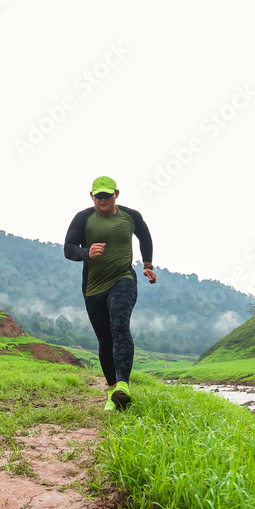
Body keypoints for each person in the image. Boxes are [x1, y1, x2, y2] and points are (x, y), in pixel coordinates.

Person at [64, 176, 155, 411]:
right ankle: (112, 392)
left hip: (123, 279)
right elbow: (68, 249)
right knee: (105, 339)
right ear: (91, 196)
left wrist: (147, 265)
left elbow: (144, 236)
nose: (102, 200)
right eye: (98, 196)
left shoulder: (130, 216)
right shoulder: (84, 218)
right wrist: (86, 253)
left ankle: (123, 385)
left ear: (116, 193)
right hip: (93, 287)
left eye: (107, 195)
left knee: (119, 325)